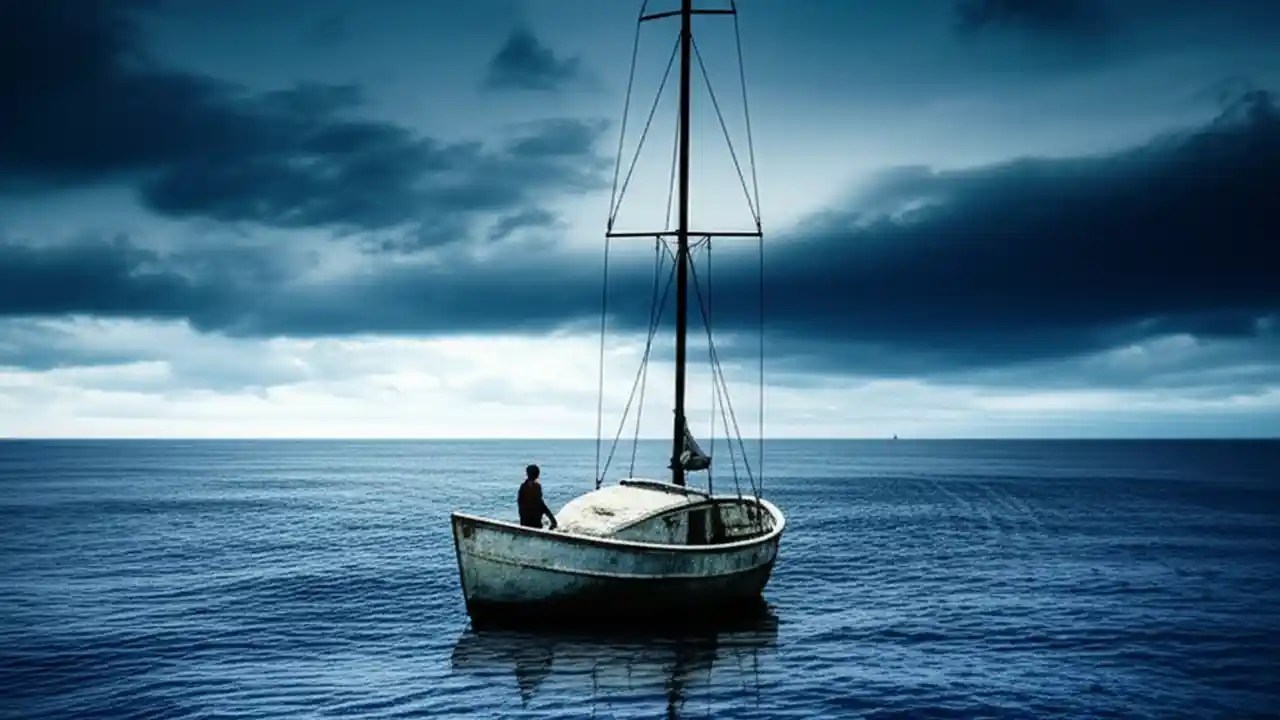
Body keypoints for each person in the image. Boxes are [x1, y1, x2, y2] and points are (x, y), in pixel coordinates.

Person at [517, 464, 557, 530]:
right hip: (528, 523)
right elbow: (541, 505)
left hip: (533, 523)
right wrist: (552, 519)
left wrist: (552, 520)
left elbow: (541, 505)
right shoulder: (528, 487)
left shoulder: (535, 487)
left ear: (527, 474)